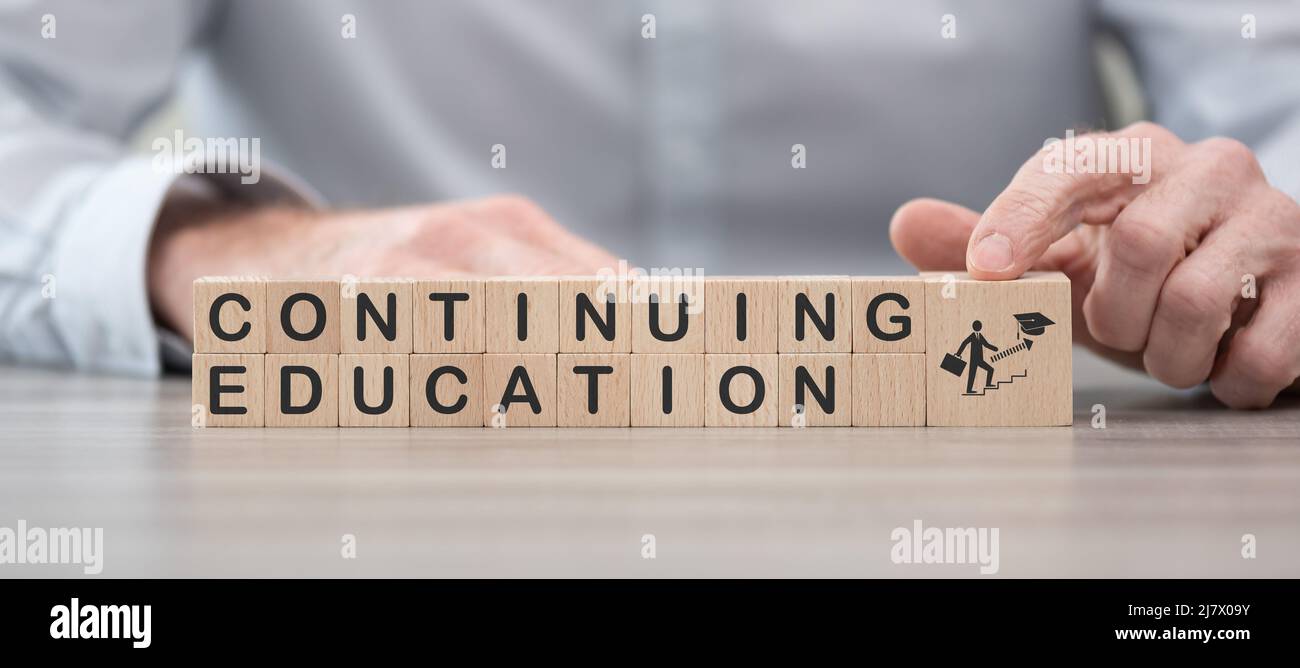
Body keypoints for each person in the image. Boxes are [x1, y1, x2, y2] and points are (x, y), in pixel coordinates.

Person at [1, 1, 1299, 409]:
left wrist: (1249, 237)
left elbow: (1276, 97)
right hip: (401, 468)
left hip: (1011, 491)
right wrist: (229, 247)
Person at [956, 321, 998, 395]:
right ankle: (969, 390)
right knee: (972, 374)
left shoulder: (980, 335)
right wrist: (958, 353)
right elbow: (964, 343)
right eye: (979, 326)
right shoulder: (972, 335)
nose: (979, 327)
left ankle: (988, 384)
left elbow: (986, 344)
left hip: (980, 360)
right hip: (974, 360)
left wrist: (994, 348)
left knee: (990, 369)